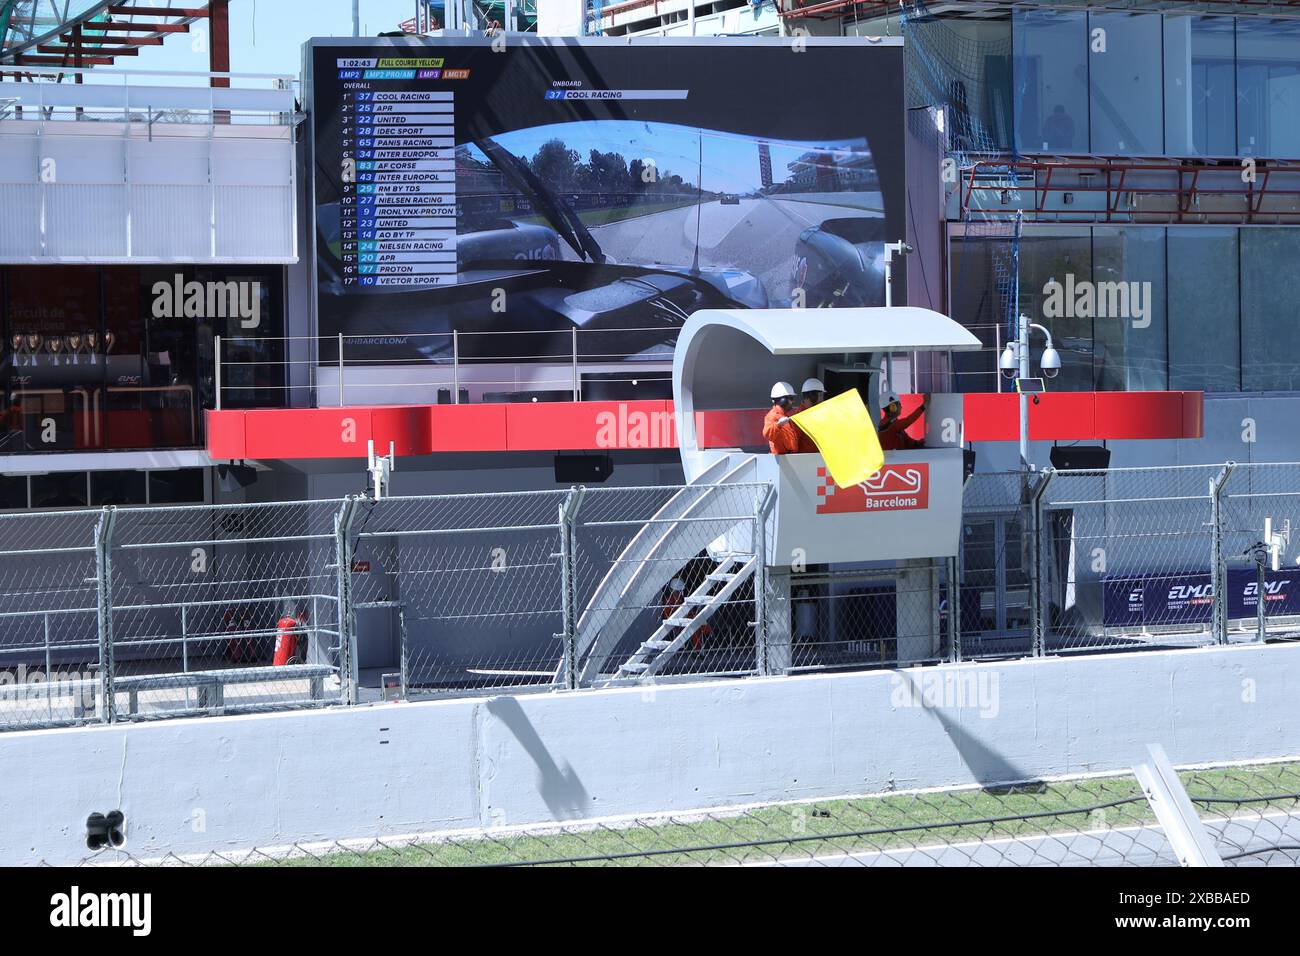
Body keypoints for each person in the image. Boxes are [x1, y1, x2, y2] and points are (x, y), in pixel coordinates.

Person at [762, 381, 801, 455]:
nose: (793, 401)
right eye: (791, 398)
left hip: (790, 458)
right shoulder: (772, 416)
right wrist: (778, 425)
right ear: (783, 400)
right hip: (781, 460)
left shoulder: (784, 417)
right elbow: (767, 434)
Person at [796, 377, 826, 453]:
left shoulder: (818, 413)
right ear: (812, 396)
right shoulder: (799, 417)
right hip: (806, 459)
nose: (822, 400)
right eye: (820, 396)